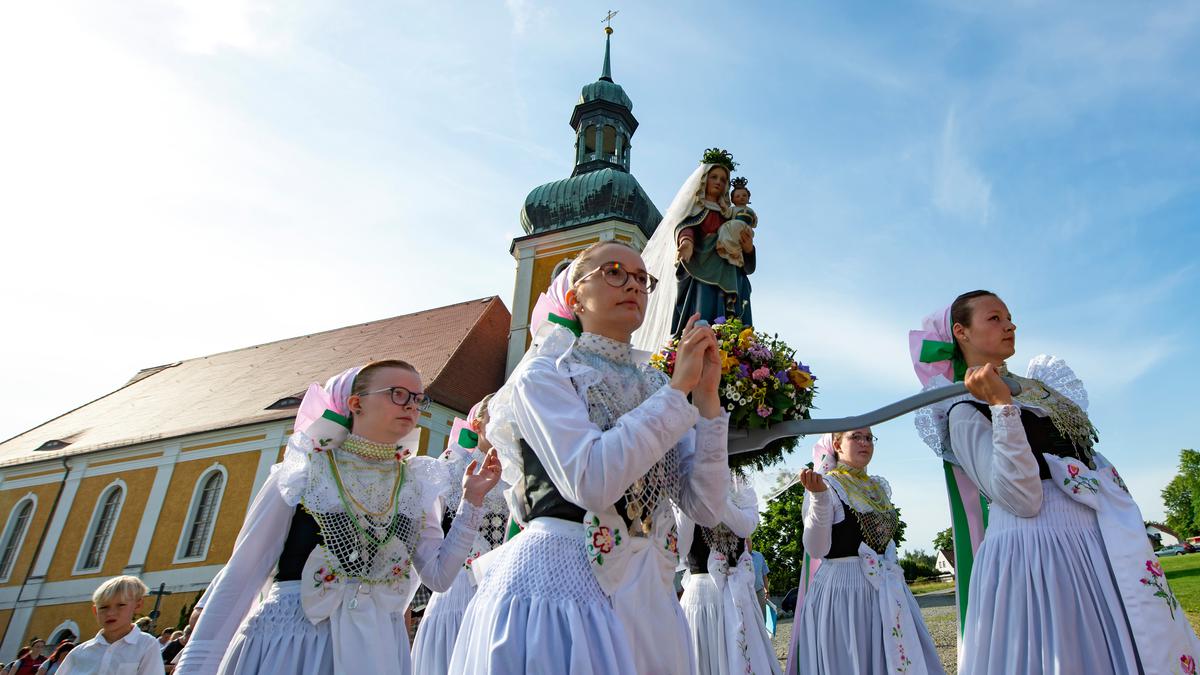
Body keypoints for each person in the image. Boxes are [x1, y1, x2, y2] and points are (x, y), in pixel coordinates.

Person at [450, 241, 731, 673]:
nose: (634, 285)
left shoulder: (654, 382)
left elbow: (707, 507)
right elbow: (591, 482)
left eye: (642, 278)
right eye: (615, 272)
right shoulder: (546, 371)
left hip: (650, 595)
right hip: (564, 584)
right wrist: (678, 394)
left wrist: (706, 400)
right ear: (574, 295)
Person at [909, 291, 1200, 674]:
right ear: (961, 332)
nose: (1010, 325)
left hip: (1095, 545)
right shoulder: (963, 410)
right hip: (1039, 555)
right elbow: (1019, 498)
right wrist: (1000, 407)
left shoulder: (1039, 390)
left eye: (1010, 317)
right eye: (994, 318)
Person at [176, 360, 502, 675]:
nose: (411, 405)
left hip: (378, 648)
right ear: (356, 403)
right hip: (297, 642)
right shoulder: (304, 471)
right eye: (397, 393)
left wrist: (471, 502)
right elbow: (242, 574)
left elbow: (439, 576)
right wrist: (195, 666)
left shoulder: (417, 483)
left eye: (418, 398)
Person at [792, 431, 943, 674]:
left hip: (887, 587)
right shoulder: (826, 485)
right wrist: (818, 498)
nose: (865, 443)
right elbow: (817, 549)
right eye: (857, 437)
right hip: (846, 592)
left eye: (870, 438)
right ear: (837, 444)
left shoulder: (877, 487)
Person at [410, 394, 510, 675]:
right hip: (457, 595)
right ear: (478, 425)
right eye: (499, 416)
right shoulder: (449, 468)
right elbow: (425, 535)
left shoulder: (521, 474)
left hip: (501, 594)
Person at [633, 148, 754, 351]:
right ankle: (697, 344)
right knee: (702, 308)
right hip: (701, 268)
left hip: (730, 271)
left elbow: (746, 257)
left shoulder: (730, 216)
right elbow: (687, 227)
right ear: (704, 179)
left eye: (723, 179)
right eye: (714, 177)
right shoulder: (697, 210)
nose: (718, 182)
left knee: (732, 318)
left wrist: (748, 249)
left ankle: (733, 351)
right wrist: (687, 243)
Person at [677, 474, 780, 675]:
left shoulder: (739, 483)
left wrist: (713, 496)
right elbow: (680, 546)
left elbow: (746, 526)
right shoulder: (684, 484)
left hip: (739, 594)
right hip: (703, 597)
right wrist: (689, 495)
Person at [57, 575, 164, 675]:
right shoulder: (79, 653)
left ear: (138, 605)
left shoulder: (146, 645)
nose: (110, 613)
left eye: (121, 605)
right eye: (103, 607)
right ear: (95, 610)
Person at [715, 176, 756, 269]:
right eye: (738, 196)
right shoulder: (733, 209)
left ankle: (733, 250)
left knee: (730, 228)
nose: (741, 198)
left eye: (744, 195)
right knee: (723, 228)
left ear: (749, 198)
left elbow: (754, 222)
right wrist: (722, 203)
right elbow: (726, 213)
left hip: (745, 228)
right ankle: (726, 246)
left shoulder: (750, 210)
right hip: (735, 226)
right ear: (733, 200)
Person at [748, 536, 769, 613]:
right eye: (745, 542)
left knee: (763, 616)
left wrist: (767, 590)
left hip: (759, 591)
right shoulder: (739, 558)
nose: (748, 544)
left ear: (751, 543)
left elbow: (764, 575)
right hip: (746, 593)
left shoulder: (759, 556)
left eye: (749, 542)